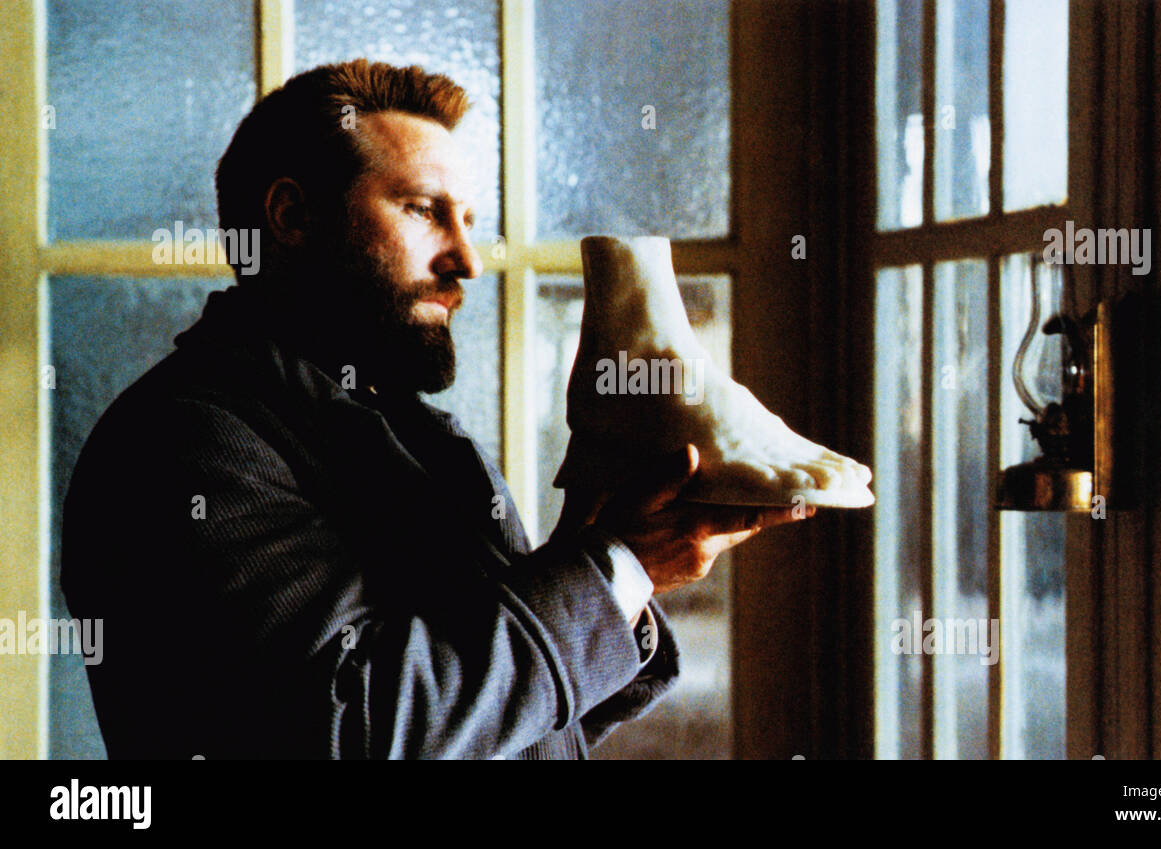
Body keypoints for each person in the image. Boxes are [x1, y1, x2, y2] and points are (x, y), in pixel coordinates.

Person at [60, 59, 809, 759]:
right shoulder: (182, 442)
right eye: (424, 211)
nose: (467, 260)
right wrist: (613, 568)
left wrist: (599, 556)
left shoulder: (406, 433)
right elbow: (354, 726)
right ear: (289, 217)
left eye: (469, 221)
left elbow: (491, 722)